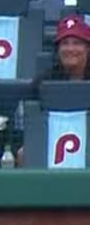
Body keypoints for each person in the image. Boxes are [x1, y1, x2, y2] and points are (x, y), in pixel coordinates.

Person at [9, 14, 90, 165]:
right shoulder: (42, 82)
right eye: (64, 43)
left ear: (88, 48)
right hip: (48, 143)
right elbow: (21, 124)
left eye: (77, 43)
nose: (70, 49)